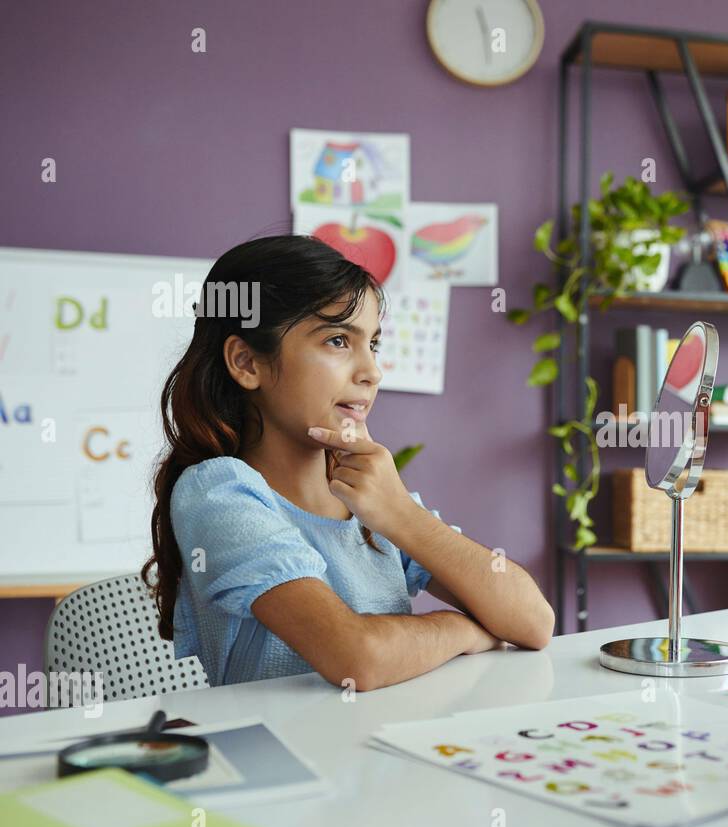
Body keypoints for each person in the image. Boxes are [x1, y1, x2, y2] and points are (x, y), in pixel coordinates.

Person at [141, 235, 553, 689]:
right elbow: (357, 658)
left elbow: (534, 622)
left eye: (373, 344)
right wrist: (463, 629)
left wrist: (401, 515)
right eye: (338, 340)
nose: (372, 372)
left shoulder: (372, 498)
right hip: (282, 755)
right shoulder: (218, 492)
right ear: (247, 363)